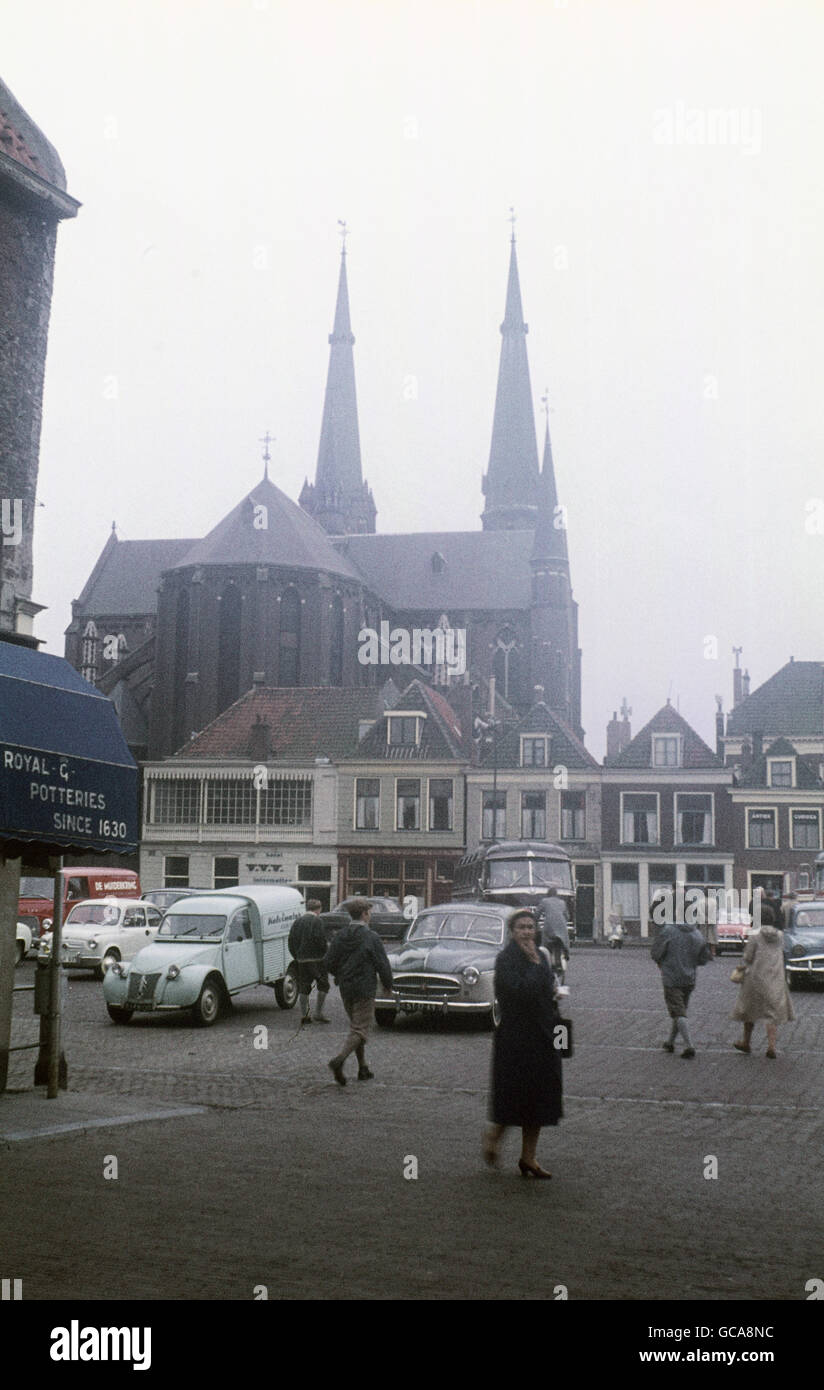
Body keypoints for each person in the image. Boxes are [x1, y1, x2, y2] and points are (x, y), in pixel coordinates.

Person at [483, 910, 563, 1178]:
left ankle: (529, 1157)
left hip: (542, 1036)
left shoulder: (540, 956)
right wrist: (534, 965)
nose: (527, 932)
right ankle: (493, 1138)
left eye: (531, 927)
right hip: (516, 1038)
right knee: (513, 1095)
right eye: (521, 928)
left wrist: (552, 988)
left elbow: (546, 985)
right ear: (512, 931)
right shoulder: (506, 959)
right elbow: (519, 992)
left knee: (539, 1099)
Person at [324, 900, 393, 1085]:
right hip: (365, 987)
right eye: (369, 912)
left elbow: (329, 962)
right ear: (364, 914)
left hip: (346, 987)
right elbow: (382, 963)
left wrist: (340, 974)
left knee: (356, 1028)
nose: (370, 916)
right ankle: (339, 1060)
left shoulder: (340, 936)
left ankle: (363, 1068)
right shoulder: (371, 937)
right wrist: (388, 984)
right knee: (360, 1029)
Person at [732, 905, 794, 1058]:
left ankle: (746, 1042)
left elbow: (748, 957)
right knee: (772, 1013)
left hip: (756, 977)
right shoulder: (780, 935)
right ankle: (771, 1046)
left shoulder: (755, 935)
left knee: (749, 1010)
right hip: (775, 977)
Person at [650, 915, 711, 1058]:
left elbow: (656, 952)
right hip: (689, 977)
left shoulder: (668, 931)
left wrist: (660, 962)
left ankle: (689, 1046)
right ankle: (670, 1042)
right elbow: (704, 958)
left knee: (678, 1012)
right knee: (680, 1010)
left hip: (671, 977)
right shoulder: (697, 934)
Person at [287, 898, 330, 1024]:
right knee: (323, 984)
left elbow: (291, 941)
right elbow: (320, 940)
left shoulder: (297, 922)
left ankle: (305, 1015)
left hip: (302, 960)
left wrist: (297, 956)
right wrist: (325, 953)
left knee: (304, 986)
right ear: (319, 908)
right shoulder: (317, 921)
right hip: (317, 960)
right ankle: (318, 1013)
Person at [536, 887, 570, 976]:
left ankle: (545, 963)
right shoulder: (562, 902)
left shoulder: (544, 901)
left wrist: (534, 921)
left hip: (549, 927)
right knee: (560, 942)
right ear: (556, 894)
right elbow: (567, 916)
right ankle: (565, 954)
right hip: (561, 927)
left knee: (545, 945)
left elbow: (537, 913)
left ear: (548, 894)